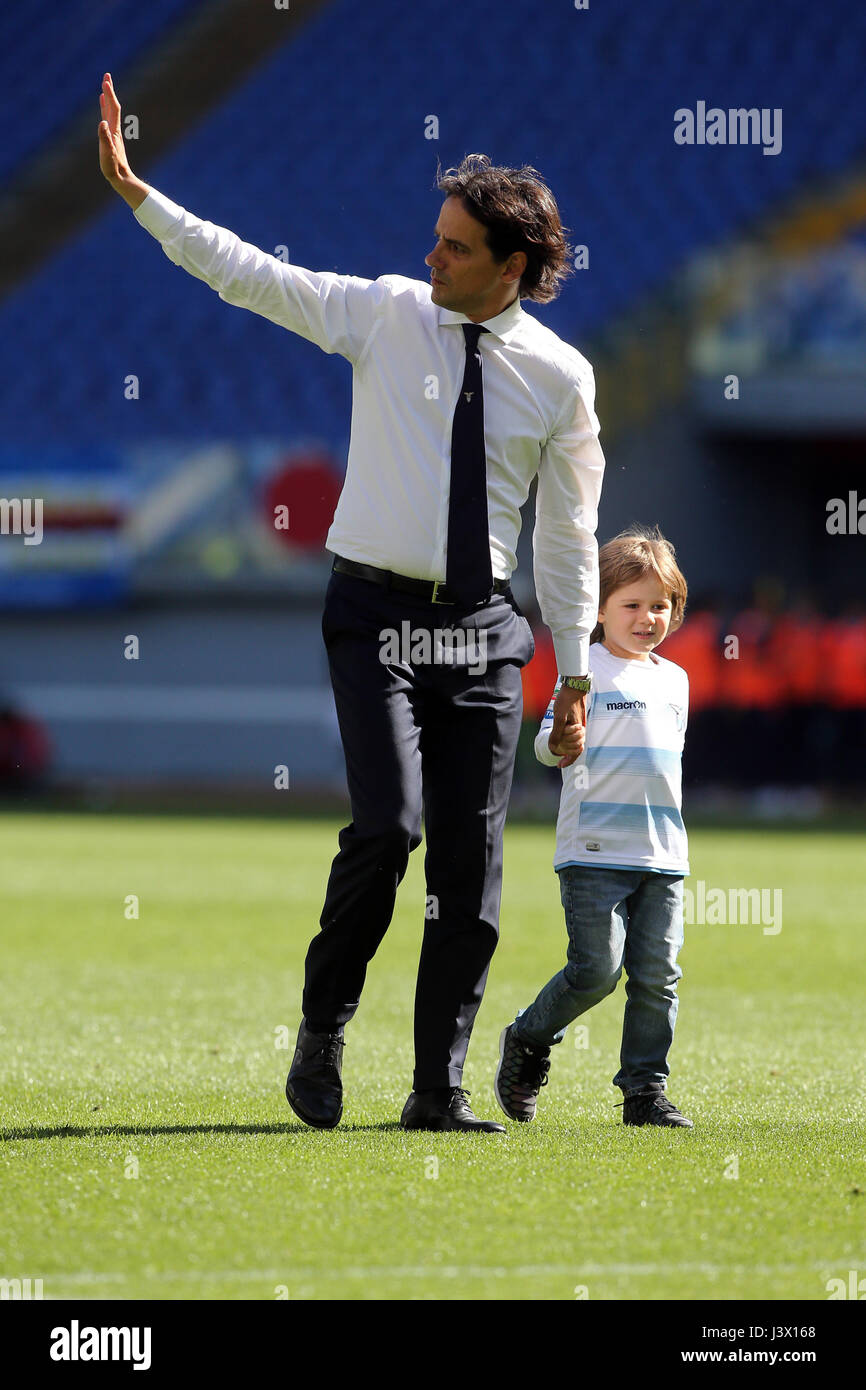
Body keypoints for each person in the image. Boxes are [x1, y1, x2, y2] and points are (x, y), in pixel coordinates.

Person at [98, 72, 605, 1133]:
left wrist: (577, 673)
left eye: (454, 248)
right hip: (372, 613)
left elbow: (562, 537)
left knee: (470, 868)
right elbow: (253, 276)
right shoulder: (383, 313)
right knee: (389, 826)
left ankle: (438, 1088)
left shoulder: (560, 380)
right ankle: (323, 1024)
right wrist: (143, 198)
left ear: (509, 268)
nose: (431, 258)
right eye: (433, 238)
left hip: (480, 631)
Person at [494, 526, 694, 1127]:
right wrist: (560, 739)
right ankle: (528, 1037)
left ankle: (644, 1092)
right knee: (596, 971)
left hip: (662, 855)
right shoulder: (586, 672)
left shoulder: (676, 680)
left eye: (659, 606)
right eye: (631, 605)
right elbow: (548, 749)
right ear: (599, 609)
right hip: (594, 851)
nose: (646, 618)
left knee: (658, 978)